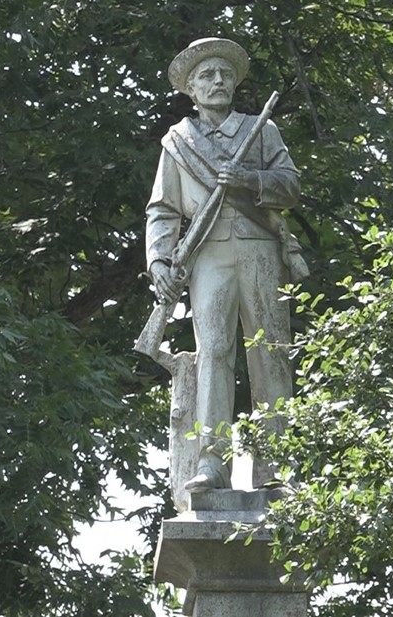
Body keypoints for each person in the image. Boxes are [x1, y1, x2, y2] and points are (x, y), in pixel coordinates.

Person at [146, 38, 306, 491]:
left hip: (260, 250)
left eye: (224, 74)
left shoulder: (261, 130)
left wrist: (250, 180)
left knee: (271, 352)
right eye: (206, 76)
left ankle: (276, 465)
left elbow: (290, 185)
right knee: (213, 353)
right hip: (208, 256)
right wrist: (159, 261)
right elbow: (163, 210)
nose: (217, 81)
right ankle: (211, 463)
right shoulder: (178, 142)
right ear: (191, 89)